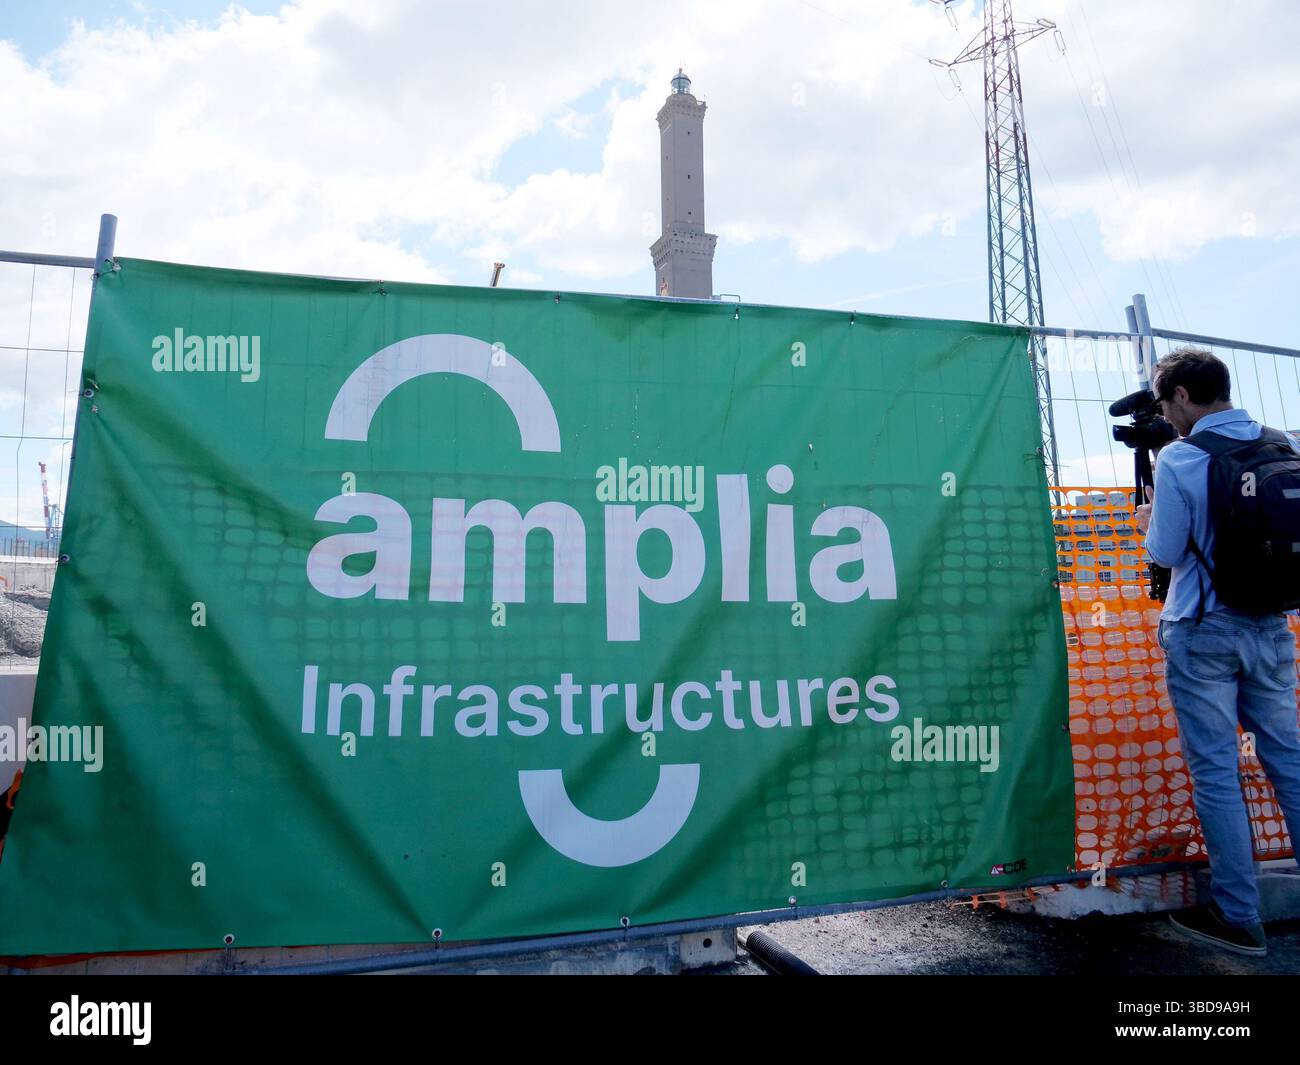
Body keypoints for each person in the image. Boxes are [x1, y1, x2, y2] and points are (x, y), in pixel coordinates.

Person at [1135, 346, 1300, 956]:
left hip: (1203, 629)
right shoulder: (1280, 442)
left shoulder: (1180, 457)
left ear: (1181, 396)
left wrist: (1151, 517)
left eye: (1164, 401)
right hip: (1269, 626)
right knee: (1290, 762)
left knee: (1217, 774)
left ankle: (1239, 917)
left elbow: (1169, 552)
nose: (1164, 414)